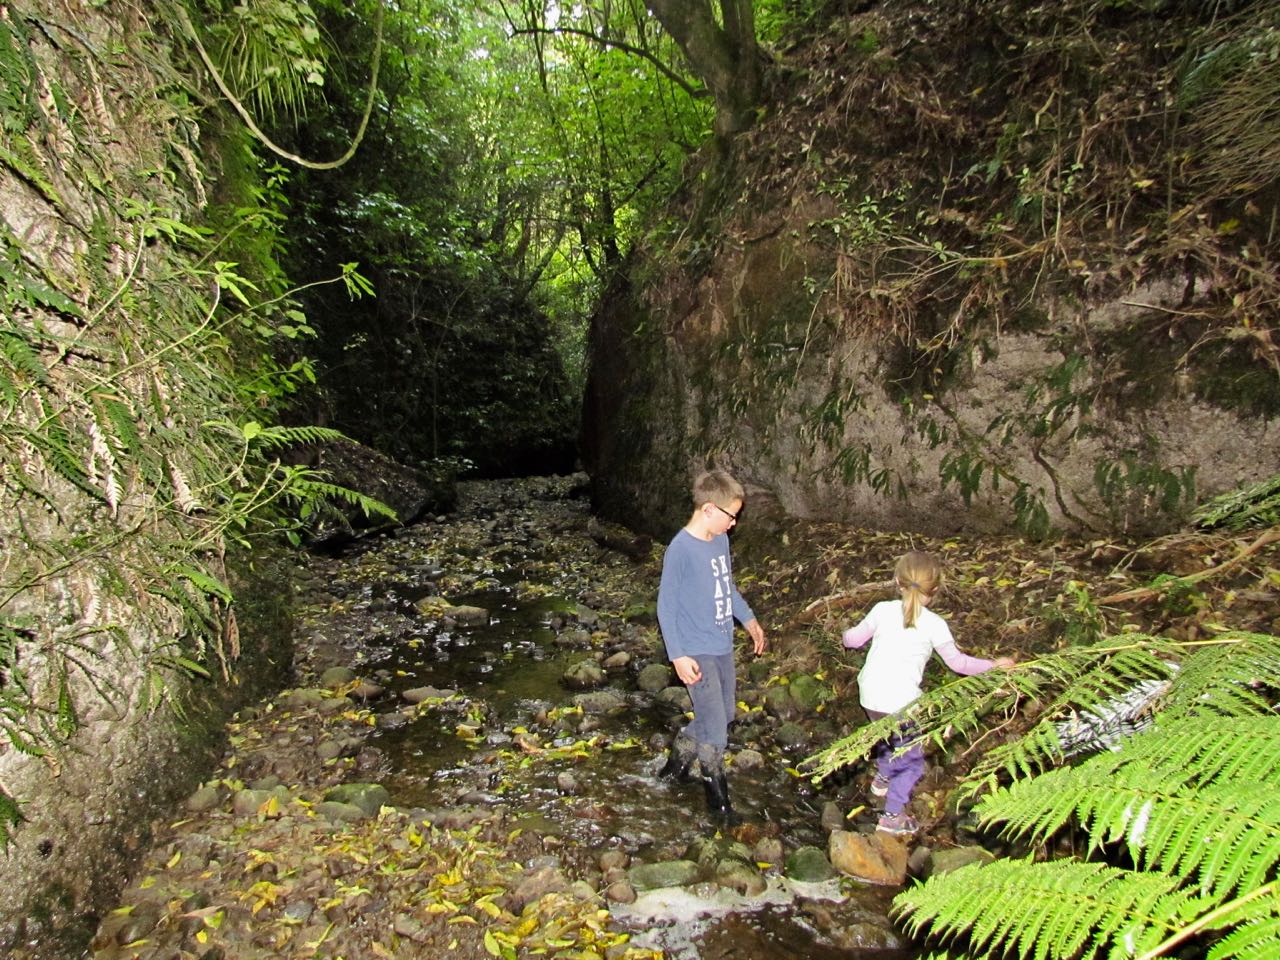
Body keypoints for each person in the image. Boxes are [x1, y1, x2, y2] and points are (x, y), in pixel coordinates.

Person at [841, 550, 1014, 836]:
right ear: (935, 590)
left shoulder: (882, 610)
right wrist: (994, 665)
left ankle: (883, 777)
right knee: (911, 762)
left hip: (870, 694)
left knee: (885, 733)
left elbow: (852, 640)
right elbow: (959, 663)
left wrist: (846, 635)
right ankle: (891, 816)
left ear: (897, 581)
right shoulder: (935, 625)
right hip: (902, 702)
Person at [656, 469, 767, 826]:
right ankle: (719, 804)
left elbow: (728, 588)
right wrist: (677, 655)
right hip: (694, 650)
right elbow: (666, 606)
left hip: (721, 643)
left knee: (724, 715)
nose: (734, 524)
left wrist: (748, 620)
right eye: (730, 515)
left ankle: (673, 770)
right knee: (716, 731)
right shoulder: (681, 549)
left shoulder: (720, 541)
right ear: (707, 509)